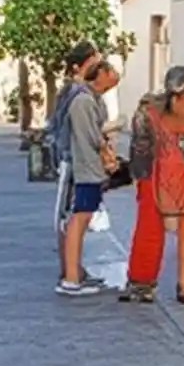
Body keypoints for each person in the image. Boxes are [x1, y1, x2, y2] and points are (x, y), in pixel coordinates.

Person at [121, 66, 184, 304]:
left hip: (182, 173)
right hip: (156, 174)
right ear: (174, 97)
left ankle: (183, 285)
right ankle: (142, 281)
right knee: (150, 226)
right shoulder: (148, 114)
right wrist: (141, 176)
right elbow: (140, 150)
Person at [56, 60, 120, 297]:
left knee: (83, 216)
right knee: (80, 217)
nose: (115, 78)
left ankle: (76, 273)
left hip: (90, 167)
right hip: (85, 168)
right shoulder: (83, 101)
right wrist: (105, 153)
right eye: (112, 73)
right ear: (101, 74)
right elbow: (90, 136)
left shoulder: (93, 99)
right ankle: (71, 277)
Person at [50, 41, 105, 287]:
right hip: (74, 161)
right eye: (93, 60)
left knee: (73, 216)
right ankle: (70, 272)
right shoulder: (78, 94)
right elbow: (86, 133)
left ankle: (73, 268)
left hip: (72, 159)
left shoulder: (80, 92)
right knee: (74, 216)